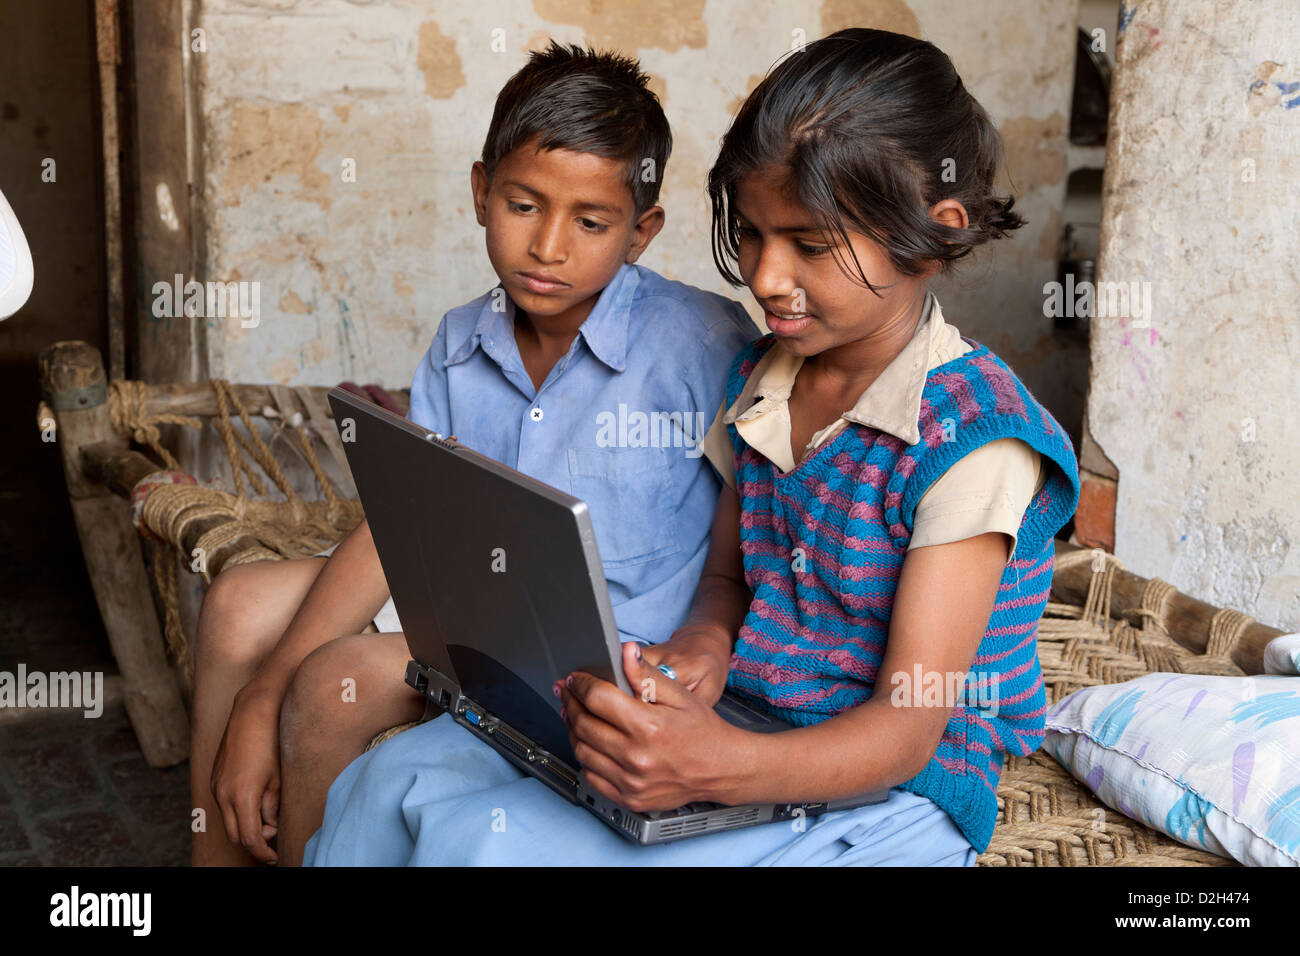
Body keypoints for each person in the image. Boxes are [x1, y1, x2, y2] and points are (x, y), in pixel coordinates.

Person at [304, 27, 1081, 866]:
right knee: (391, 788)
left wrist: (714, 764)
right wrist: (699, 657)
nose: (766, 276)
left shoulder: (972, 440)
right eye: (749, 233)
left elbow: (907, 726)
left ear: (934, 233)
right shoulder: (766, 378)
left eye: (810, 246)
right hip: (742, 721)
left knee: (491, 851)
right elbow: (725, 579)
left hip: (886, 796)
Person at [191, 41, 756, 865]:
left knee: (333, 682)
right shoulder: (463, 340)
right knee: (238, 603)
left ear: (641, 232)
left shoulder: (704, 343)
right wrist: (254, 698)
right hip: (465, 599)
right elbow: (405, 526)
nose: (549, 247)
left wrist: (285, 688)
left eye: (591, 222)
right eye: (524, 205)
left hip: (593, 646)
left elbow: (766, 518)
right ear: (481, 191)